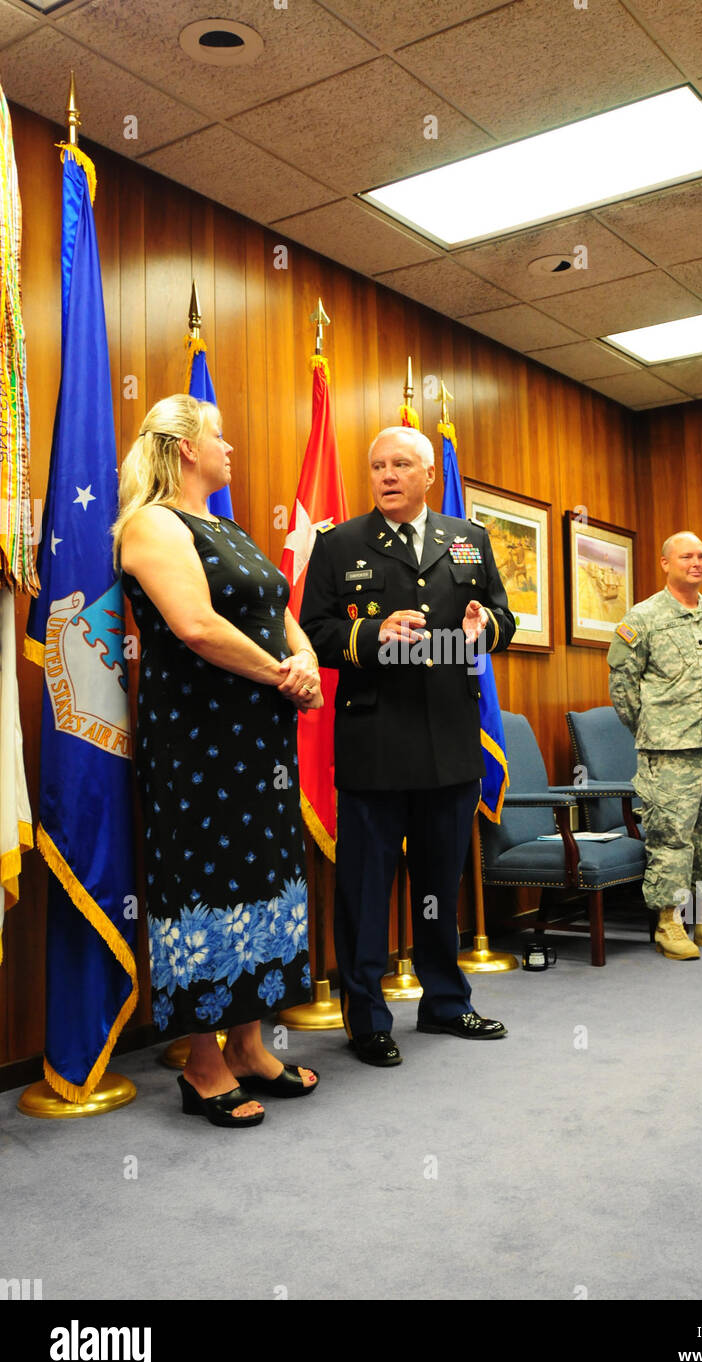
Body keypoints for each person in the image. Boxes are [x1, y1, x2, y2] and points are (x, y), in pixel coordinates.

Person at [114, 394, 323, 1127]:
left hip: (259, 739)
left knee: (263, 883)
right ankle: (202, 1066)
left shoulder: (227, 525)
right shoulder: (150, 524)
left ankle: (249, 1047)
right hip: (198, 744)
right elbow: (198, 627)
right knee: (203, 887)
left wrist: (304, 661)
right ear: (182, 449)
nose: (230, 448)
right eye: (219, 436)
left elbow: (279, 610)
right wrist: (281, 674)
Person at [300, 426, 515, 1065]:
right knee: (366, 889)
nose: (387, 475)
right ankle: (367, 1018)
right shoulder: (339, 544)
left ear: (428, 474)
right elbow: (313, 631)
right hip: (374, 739)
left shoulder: (468, 540)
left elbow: (501, 616)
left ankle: (446, 1002)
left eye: (400, 465)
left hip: (450, 738)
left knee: (438, 882)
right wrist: (372, 633)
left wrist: (487, 627)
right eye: (377, 466)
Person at [607, 531, 702, 960]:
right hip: (668, 750)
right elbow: (623, 687)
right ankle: (669, 922)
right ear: (665, 563)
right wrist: (654, 729)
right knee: (671, 837)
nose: (697, 562)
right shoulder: (643, 617)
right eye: (686, 556)